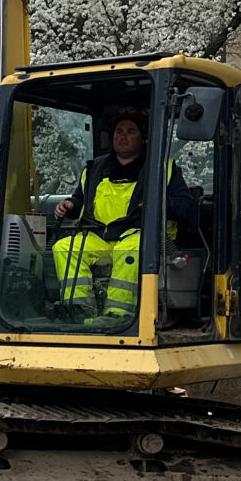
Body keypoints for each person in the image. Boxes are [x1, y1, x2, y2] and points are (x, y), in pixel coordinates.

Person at [50, 108, 192, 322]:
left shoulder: (163, 169)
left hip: (140, 235)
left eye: (130, 131)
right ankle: (80, 309)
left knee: (130, 248)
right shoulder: (94, 169)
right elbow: (81, 200)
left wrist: (158, 204)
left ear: (143, 138)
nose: (122, 136)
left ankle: (118, 314)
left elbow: (186, 206)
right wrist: (70, 204)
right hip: (101, 236)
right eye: (118, 131)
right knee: (64, 248)